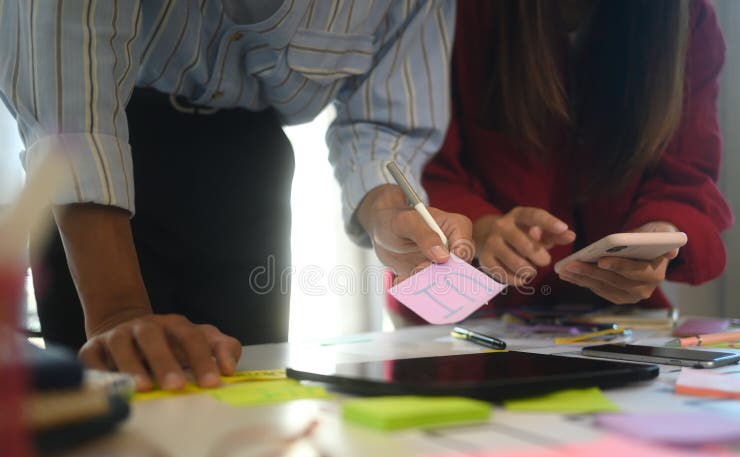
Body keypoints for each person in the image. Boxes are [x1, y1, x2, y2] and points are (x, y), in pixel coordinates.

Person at [0, 0, 472, 391]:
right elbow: (67, 85)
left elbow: (381, 125)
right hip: (100, 168)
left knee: (242, 394)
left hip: (251, 169)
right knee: (105, 412)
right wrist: (115, 313)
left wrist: (386, 213)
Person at [394, 0, 733, 320]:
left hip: (608, 320)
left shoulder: (685, 16)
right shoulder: (452, 10)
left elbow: (685, 177)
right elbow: (412, 168)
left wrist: (658, 235)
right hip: (456, 308)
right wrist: (482, 230)